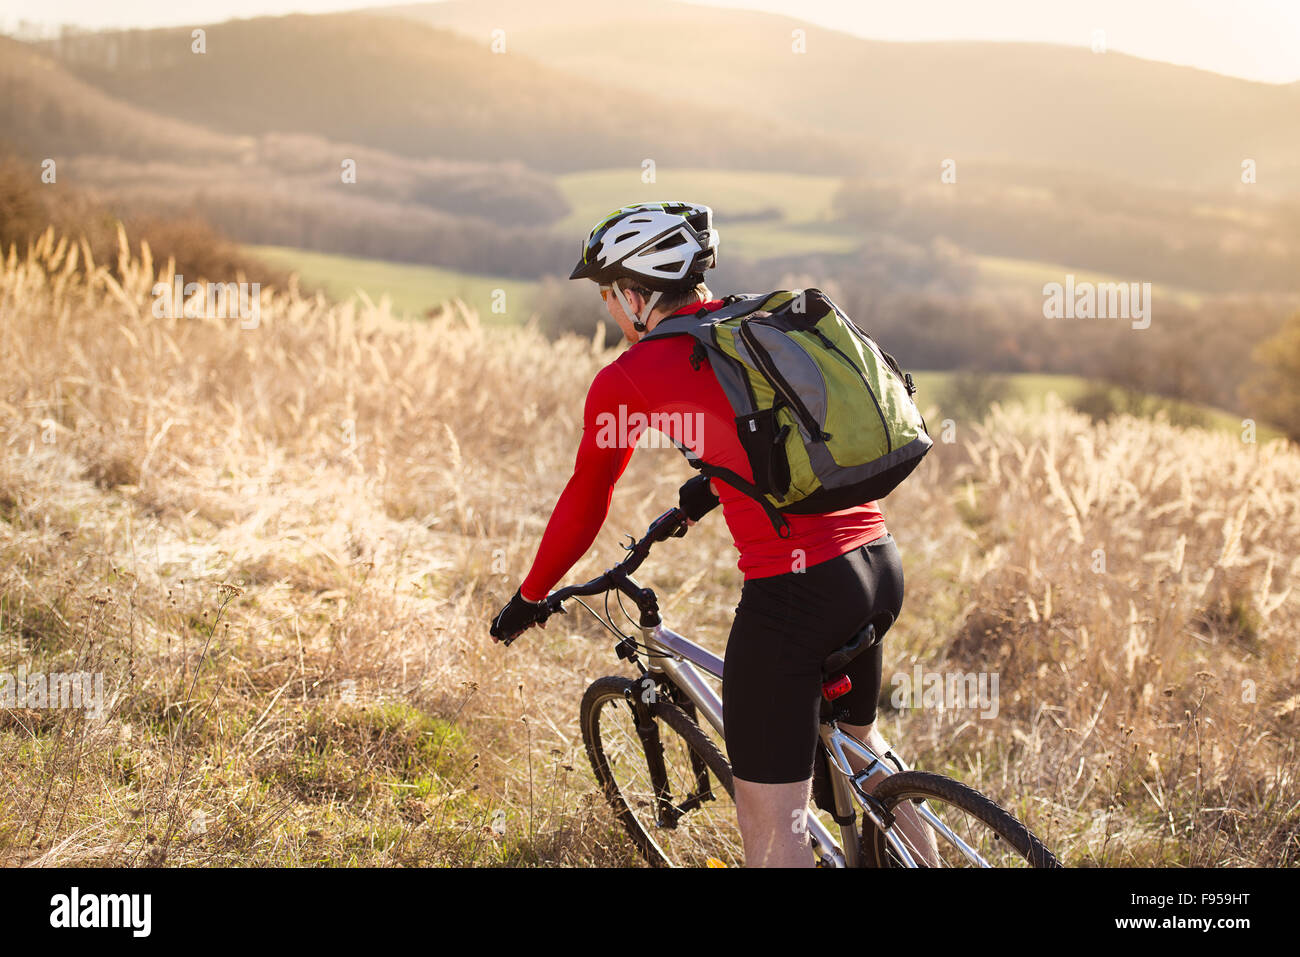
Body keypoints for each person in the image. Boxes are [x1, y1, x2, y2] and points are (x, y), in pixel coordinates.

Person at [490, 202, 916, 866]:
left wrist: (530, 595)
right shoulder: (754, 328)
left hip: (797, 596)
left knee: (774, 827)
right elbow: (773, 441)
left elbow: (587, 497)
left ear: (634, 296)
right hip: (878, 563)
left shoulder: (631, 374)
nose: (608, 310)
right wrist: (707, 488)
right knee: (867, 752)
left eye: (607, 294)